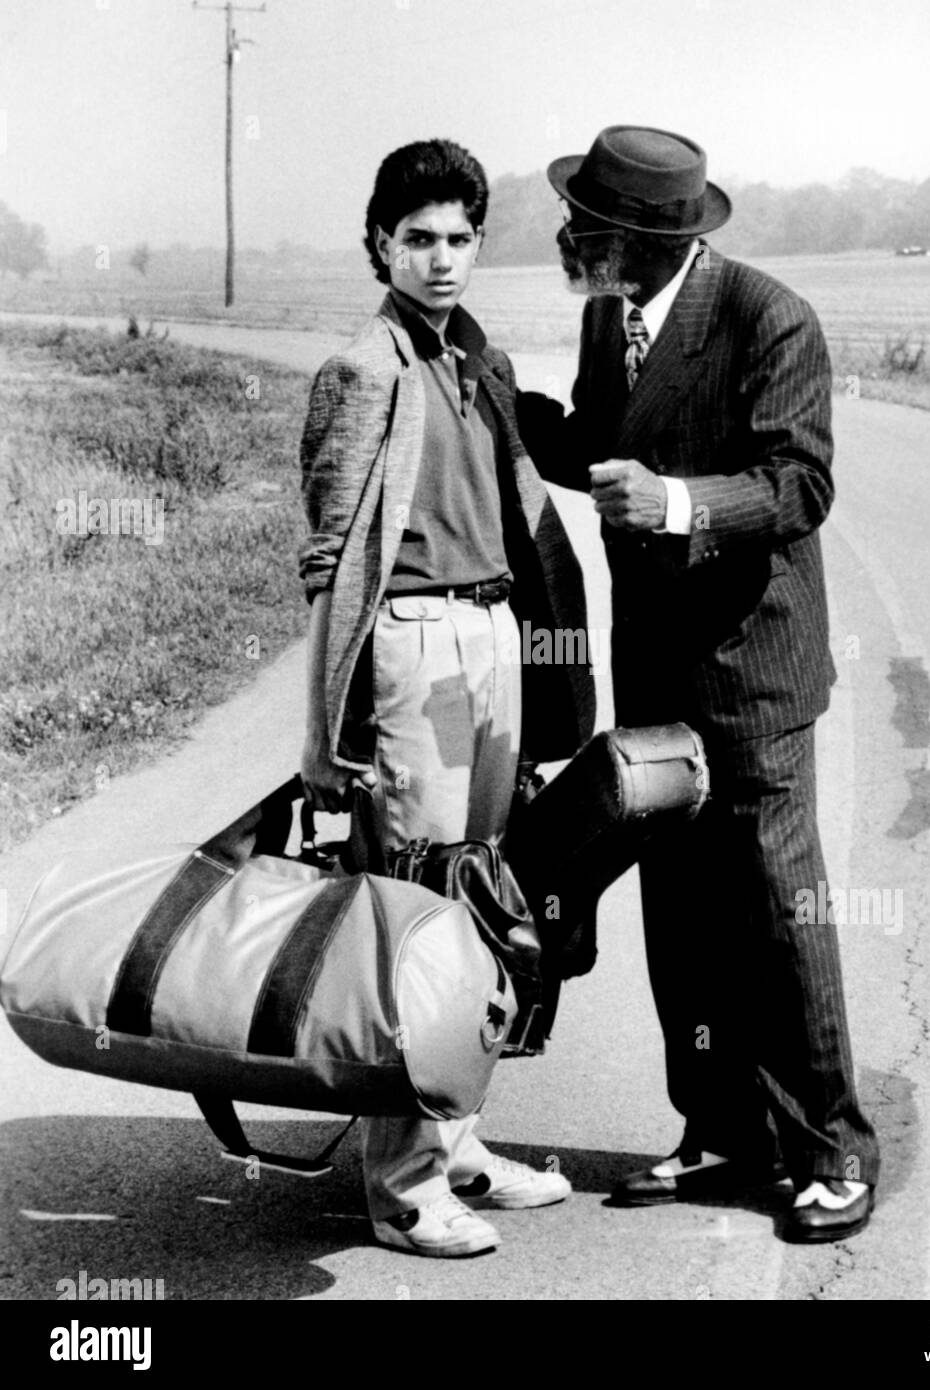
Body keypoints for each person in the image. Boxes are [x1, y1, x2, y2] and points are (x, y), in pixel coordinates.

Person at [516, 125, 880, 1243]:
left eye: (588, 224)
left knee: (775, 909)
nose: (570, 237)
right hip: (656, 671)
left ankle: (829, 1149)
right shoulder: (604, 312)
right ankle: (720, 1131)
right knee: (678, 911)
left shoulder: (767, 317)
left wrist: (674, 506)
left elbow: (796, 483)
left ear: (644, 234)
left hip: (753, 674)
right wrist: (498, 402)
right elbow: (593, 440)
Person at [297, 138, 595, 1258]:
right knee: (411, 917)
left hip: (492, 636)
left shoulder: (479, 363)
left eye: (459, 238)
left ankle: (458, 1140)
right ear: (378, 244)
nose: (440, 258)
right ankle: (403, 1183)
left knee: (485, 906)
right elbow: (328, 560)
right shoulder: (362, 368)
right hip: (410, 644)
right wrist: (324, 736)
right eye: (417, 238)